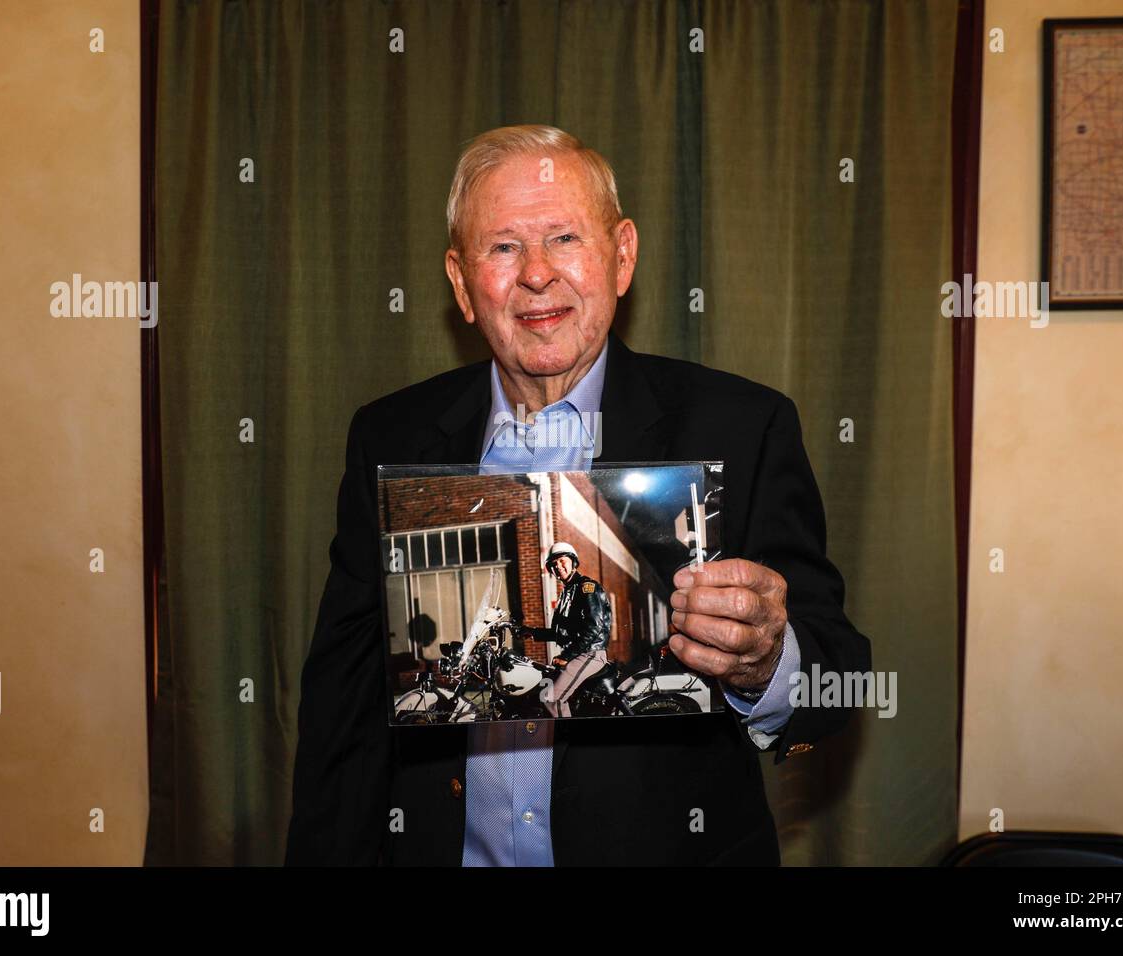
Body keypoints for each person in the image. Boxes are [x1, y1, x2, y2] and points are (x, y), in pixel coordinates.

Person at [286, 124, 872, 866]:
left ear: (622, 257)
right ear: (462, 285)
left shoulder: (742, 427)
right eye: (502, 247)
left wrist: (766, 660)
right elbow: (342, 710)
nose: (536, 275)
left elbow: (838, 689)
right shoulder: (389, 437)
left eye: (564, 238)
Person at [534, 542, 611, 718]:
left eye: (562, 561)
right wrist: (532, 632)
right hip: (579, 653)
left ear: (573, 562)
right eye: (554, 564)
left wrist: (566, 656)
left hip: (590, 653)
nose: (558, 566)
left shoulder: (586, 588)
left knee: (551, 698)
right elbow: (560, 632)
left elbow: (594, 628)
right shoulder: (567, 593)